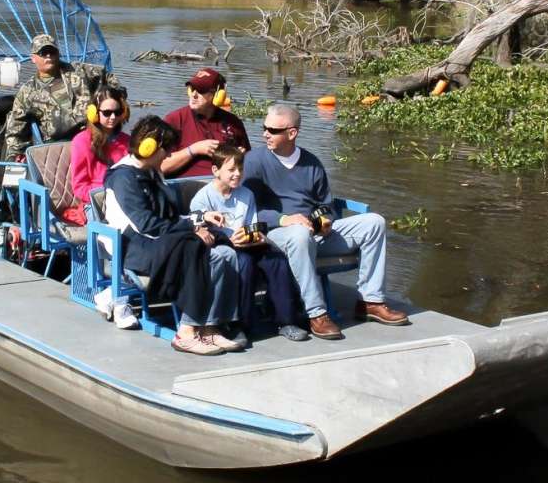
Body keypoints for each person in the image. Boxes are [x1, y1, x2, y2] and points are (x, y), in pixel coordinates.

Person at [242, 104, 410, 340]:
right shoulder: (253, 161)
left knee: (374, 222)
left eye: (272, 129)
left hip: (314, 233)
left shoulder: (311, 162)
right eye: (264, 128)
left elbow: (326, 205)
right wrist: (284, 218)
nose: (265, 134)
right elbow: (247, 210)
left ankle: (370, 302)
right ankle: (316, 314)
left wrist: (325, 219)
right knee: (299, 234)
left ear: (292, 133)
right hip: (276, 235)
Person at [103, 115, 243, 355]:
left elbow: (168, 219)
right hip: (132, 248)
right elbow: (146, 225)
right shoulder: (123, 178)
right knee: (203, 252)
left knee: (225, 253)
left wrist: (200, 219)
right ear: (150, 148)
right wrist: (191, 230)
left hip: (160, 241)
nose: (169, 156)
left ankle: (211, 327)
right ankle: (187, 331)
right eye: (166, 150)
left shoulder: (152, 173)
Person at [190, 145, 309, 343]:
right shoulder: (203, 198)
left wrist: (257, 238)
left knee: (276, 259)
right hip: (221, 247)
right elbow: (198, 228)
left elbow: (252, 225)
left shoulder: (246, 194)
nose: (237, 174)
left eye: (240, 169)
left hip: (246, 243)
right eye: (231, 170)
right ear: (215, 171)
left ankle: (286, 320)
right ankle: (239, 324)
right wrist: (228, 239)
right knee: (243, 263)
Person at [3, 34, 116, 161]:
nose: (48, 56)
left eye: (52, 52)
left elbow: (110, 79)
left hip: (92, 139)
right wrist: (16, 155)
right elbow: (16, 127)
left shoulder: (79, 71)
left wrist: (111, 101)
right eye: (43, 53)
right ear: (33, 58)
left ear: (58, 54)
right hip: (56, 148)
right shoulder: (27, 91)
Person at [160, 68, 250, 178]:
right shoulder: (174, 119)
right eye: (192, 89)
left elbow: (248, 164)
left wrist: (242, 157)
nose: (194, 94)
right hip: (184, 189)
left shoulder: (234, 123)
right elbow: (159, 167)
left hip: (225, 189)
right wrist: (193, 150)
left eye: (201, 90)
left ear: (218, 95)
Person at [65, 85, 131, 226]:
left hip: (126, 199)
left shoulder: (127, 141)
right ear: (94, 113)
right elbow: (79, 186)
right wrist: (107, 195)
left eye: (117, 112)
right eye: (107, 113)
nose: (113, 117)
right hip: (96, 203)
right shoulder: (81, 142)